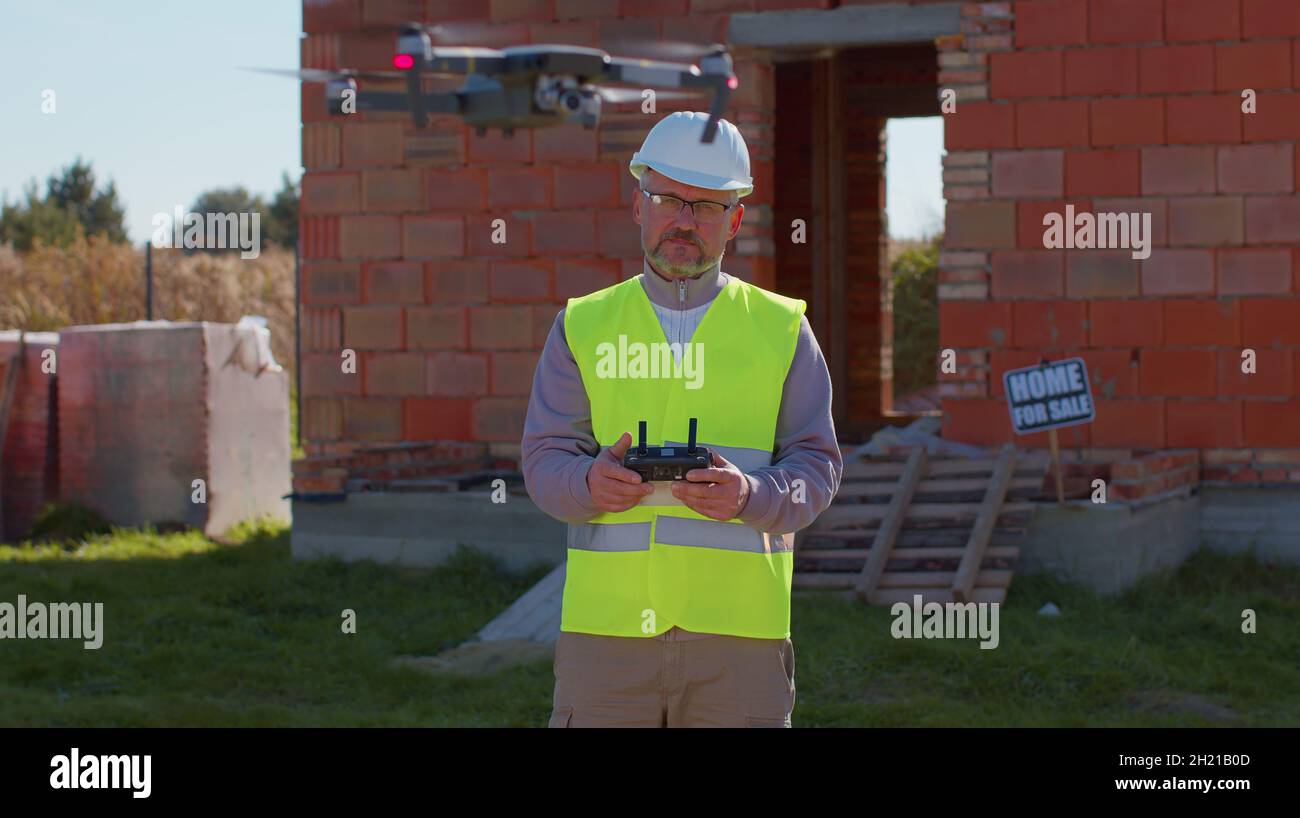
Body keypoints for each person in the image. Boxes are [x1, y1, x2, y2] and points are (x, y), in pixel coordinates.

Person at [521, 111, 842, 727]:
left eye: (706, 206)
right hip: (606, 635)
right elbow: (543, 462)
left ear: (736, 220)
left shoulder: (782, 330)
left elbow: (817, 468)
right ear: (638, 204)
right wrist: (587, 484)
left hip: (739, 637)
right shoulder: (582, 326)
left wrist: (752, 494)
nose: (684, 220)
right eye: (668, 198)